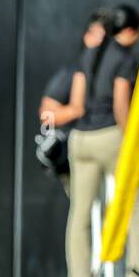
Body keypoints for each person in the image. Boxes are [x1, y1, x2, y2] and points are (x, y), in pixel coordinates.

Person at [62, 4, 139, 277]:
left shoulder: (88, 54)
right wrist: (132, 141)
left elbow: (77, 100)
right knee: (138, 204)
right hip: (110, 136)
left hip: (80, 138)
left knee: (79, 214)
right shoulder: (125, 58)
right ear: (130, 31)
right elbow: (120, 103)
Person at [38, 10, 109, 197]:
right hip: (76, 153)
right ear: (87, 37)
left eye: (108, 36)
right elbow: (46, 115)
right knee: (85, 210)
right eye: (98, 35)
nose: (102, 42)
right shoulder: (72, 73)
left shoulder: (117, 74)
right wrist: (74, 110)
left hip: (109, 154)